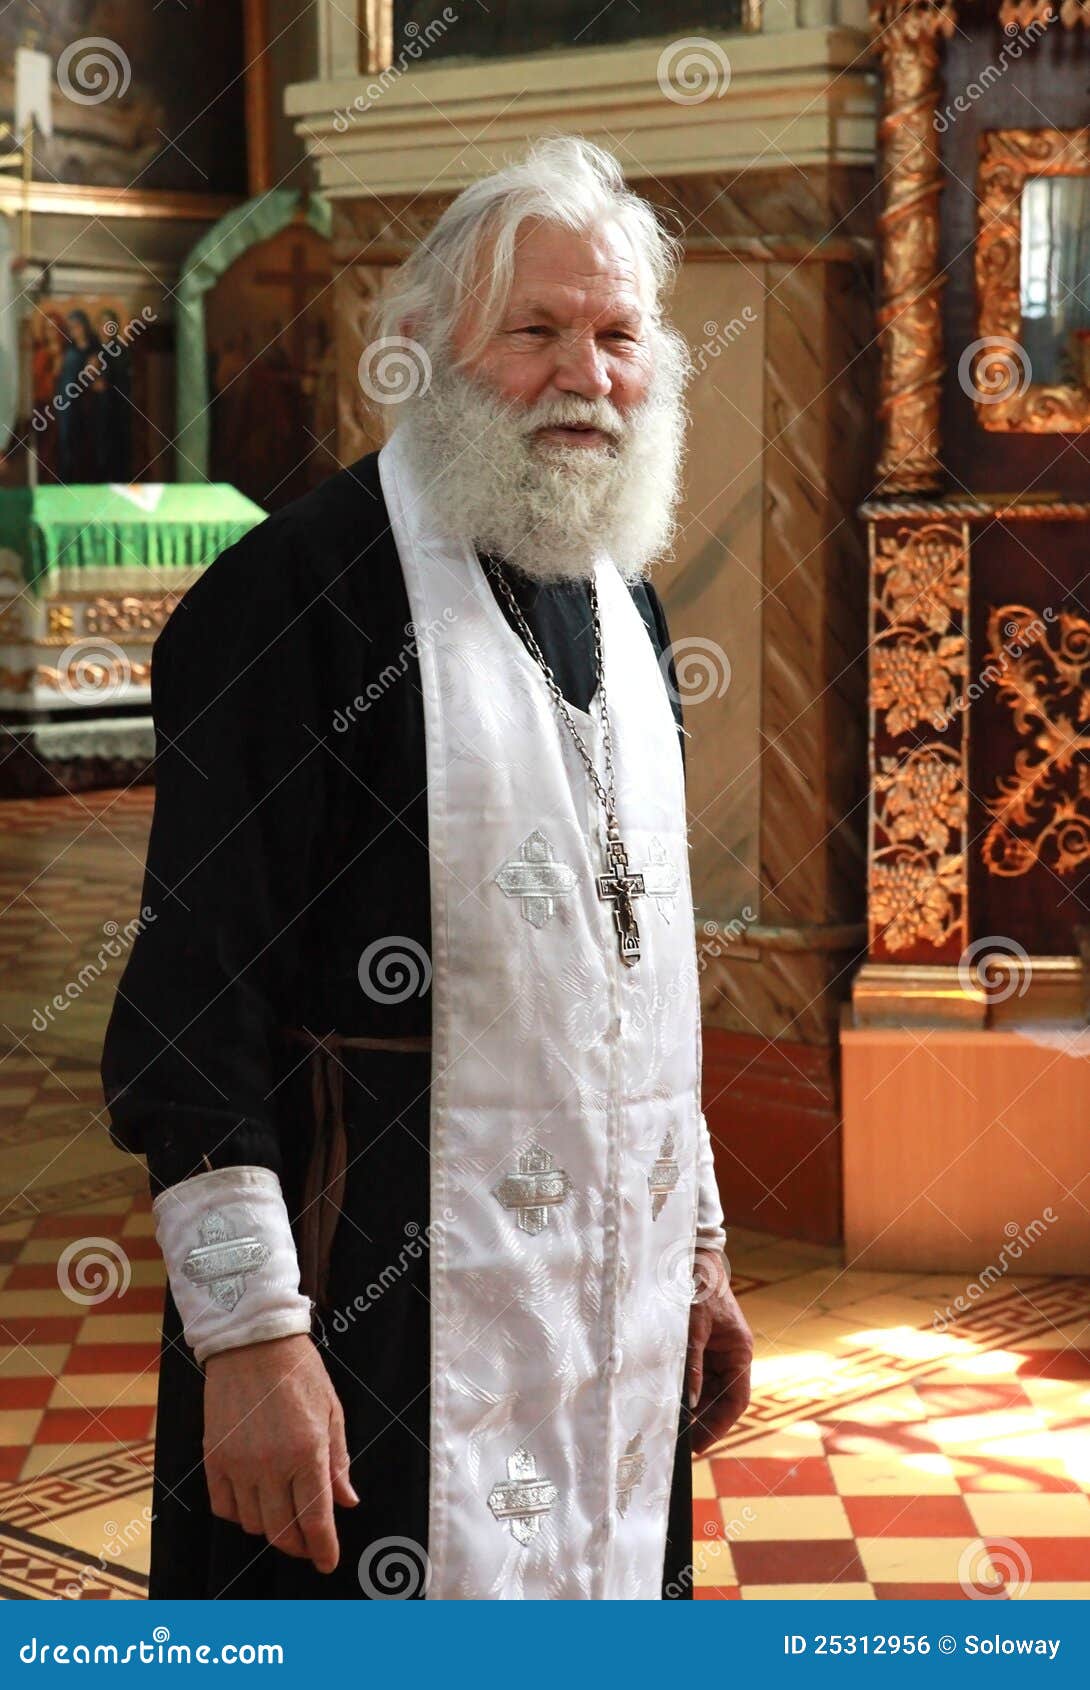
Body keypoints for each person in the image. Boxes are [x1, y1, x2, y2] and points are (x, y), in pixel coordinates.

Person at [101, 136, 753, 1602]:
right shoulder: (289, 599)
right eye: (532, 332)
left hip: (610, 1314)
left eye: (616, 336)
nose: (581, 373)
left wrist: (694, 1255)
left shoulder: (627, 611)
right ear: (425, 356)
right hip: (369, 1303)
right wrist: (255, 1341)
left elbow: (633, 971)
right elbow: (187, 1013)